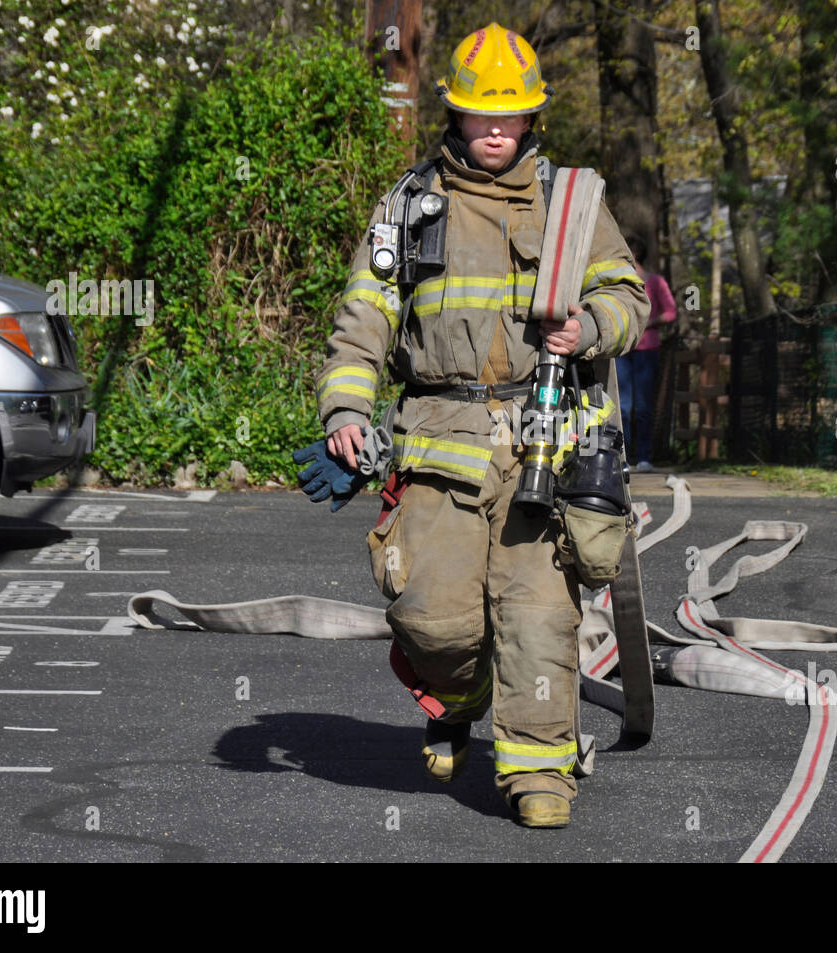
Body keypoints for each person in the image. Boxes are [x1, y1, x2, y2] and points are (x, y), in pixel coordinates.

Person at [312, 23, 649, 828]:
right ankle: (455, 701)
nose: (495, 128)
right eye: (479, 113)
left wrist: (591, 327)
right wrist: (346, 407)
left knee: (538, 612)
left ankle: (540, 773)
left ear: (532, 117)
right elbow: (364, 317)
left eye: (511, 114)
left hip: (544, 440)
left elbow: (629, 297)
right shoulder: (409, 206)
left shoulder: (574, 203)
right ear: (455, 113)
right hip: (438, 439)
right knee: (434, 617)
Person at [614, 235, 676, 471]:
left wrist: (647, 324)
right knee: (622, 406)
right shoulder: (619, 282)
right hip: (621, 348)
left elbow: (671, 312)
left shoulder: (656, 282)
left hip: (647, 350)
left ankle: (644, 457)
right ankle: (623, 456)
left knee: (643, 406)